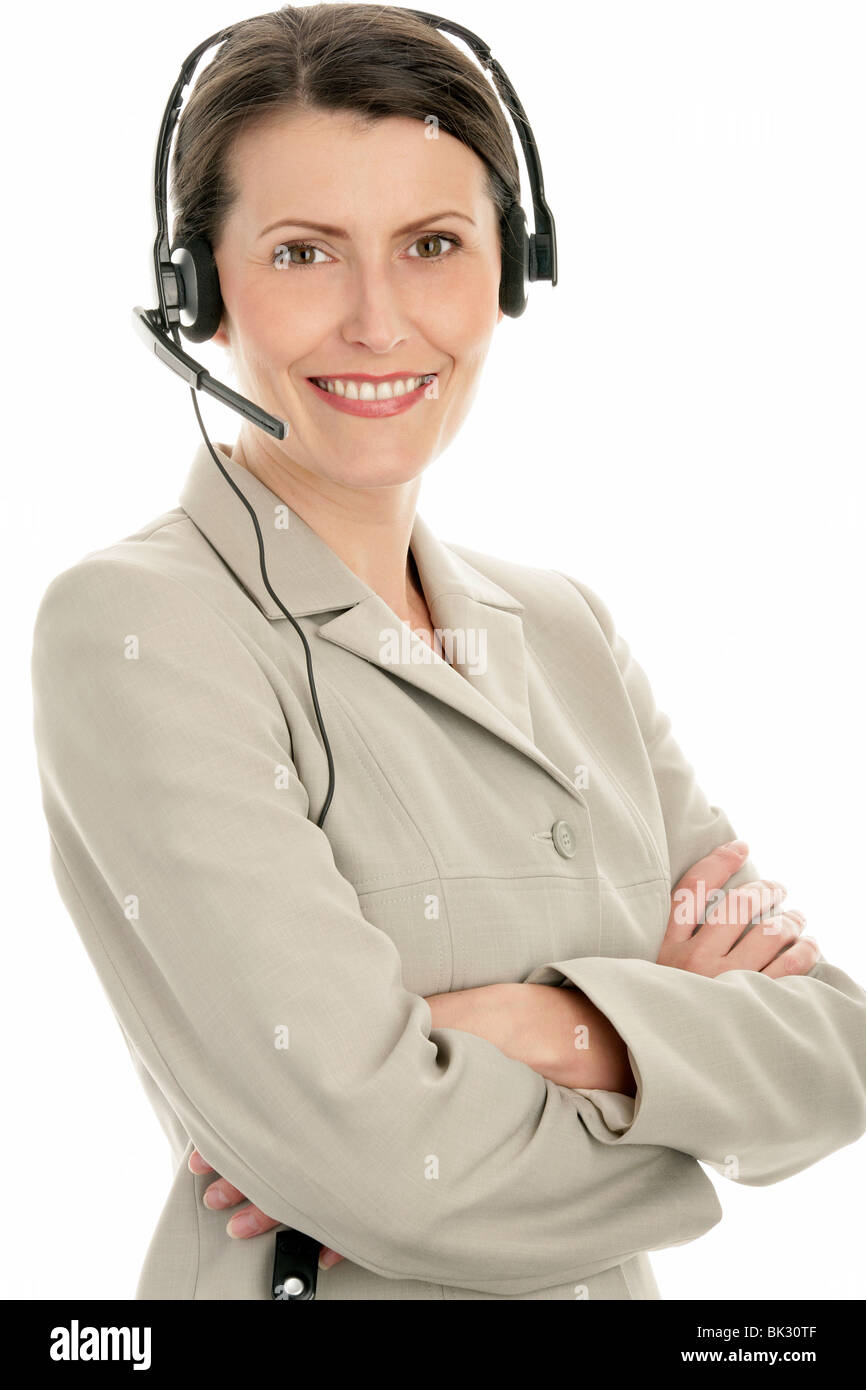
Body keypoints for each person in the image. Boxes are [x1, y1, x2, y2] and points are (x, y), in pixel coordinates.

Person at [30, 3, 866, 1301]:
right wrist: (678, 1073)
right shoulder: (139, 627)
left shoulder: (567, 630)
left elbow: (830, 1048)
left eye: (432, 244)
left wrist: (551, 1025)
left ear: (510, 267)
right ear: (196, 288)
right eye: (305, 252)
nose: (378, 321)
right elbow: (374, 1159)